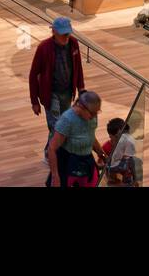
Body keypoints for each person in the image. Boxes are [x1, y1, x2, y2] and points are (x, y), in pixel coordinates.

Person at [29, 16, 85, 149]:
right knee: (57, 128)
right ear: (53, 32)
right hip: (50, 93)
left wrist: (81, 88)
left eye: (67, 34)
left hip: (67, 92)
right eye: (63, 34)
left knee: (63, 125)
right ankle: (52, 154)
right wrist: (34, 101)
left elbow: (78, 67)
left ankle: (51, 151)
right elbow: (33, 74)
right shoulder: (44, 48)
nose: (66, 37)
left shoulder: (73, 43)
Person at [46, 90, 104, 188]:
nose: (95, 116)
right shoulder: (67, 120)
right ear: (81, 107)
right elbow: (51, 149)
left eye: (97, 112)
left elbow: (90, 136)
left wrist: (101, 153)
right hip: (68, 164)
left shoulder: (92, 116)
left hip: (87, 161)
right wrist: (55, 177)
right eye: (92, 113)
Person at [103, 118, 137, 186]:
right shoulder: (106, 147)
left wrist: (135, 179)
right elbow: (102, 163)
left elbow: (131, 163)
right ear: (110, 136)